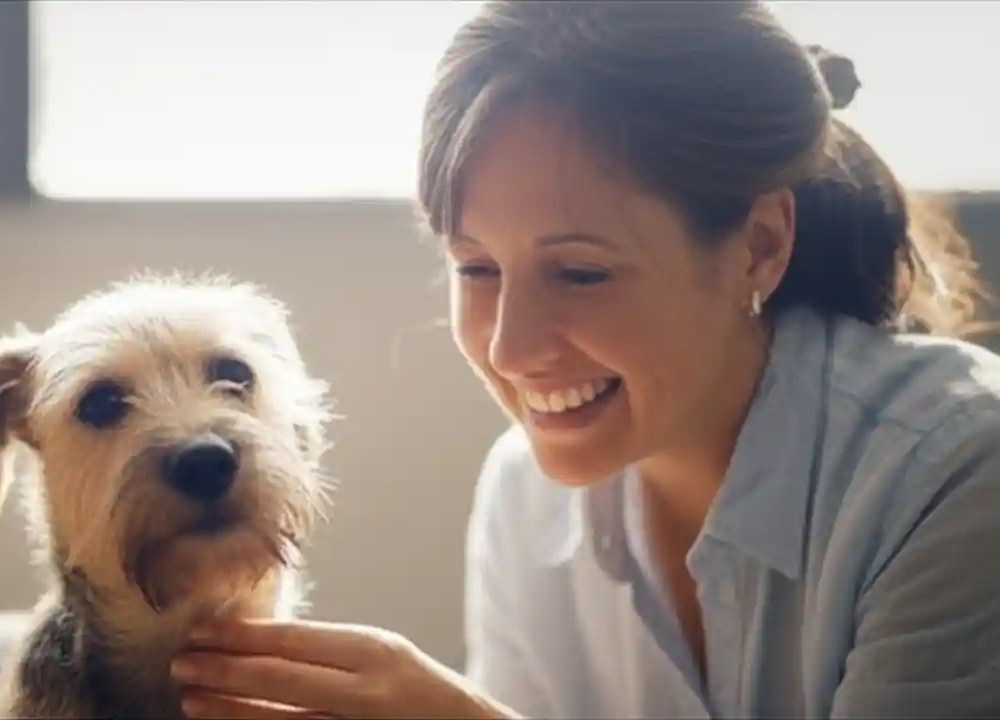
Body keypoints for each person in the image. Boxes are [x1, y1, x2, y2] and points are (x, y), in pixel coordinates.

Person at [168, 1, 1000, 717]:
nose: (510, 349)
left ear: (759, 245)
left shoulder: (956, 470)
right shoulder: (525, 495)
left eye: (580, 273)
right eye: (477, 269)